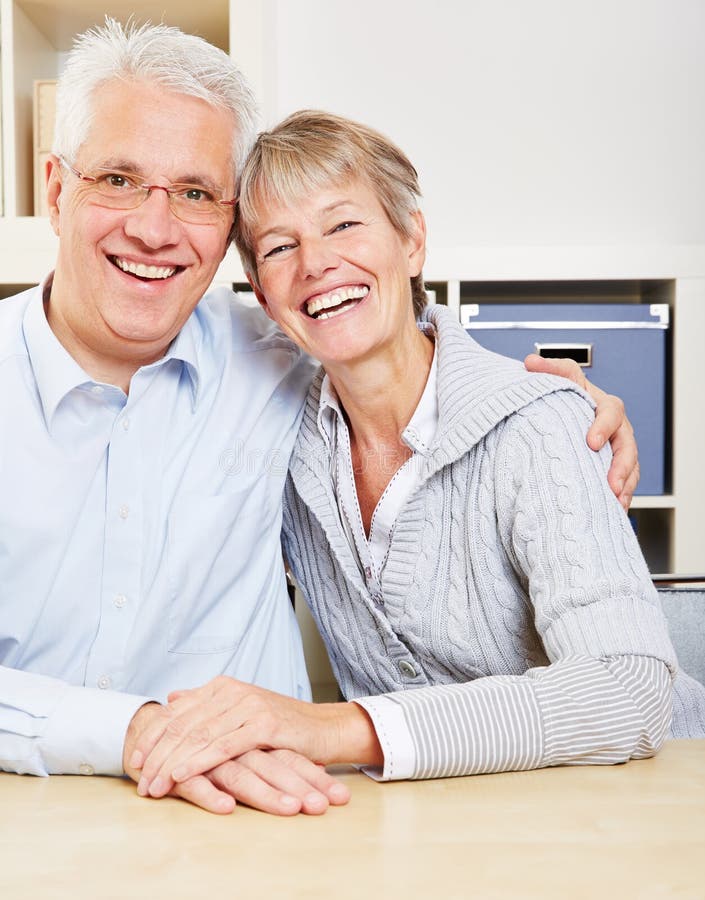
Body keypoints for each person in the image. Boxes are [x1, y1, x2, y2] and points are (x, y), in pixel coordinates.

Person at [0, 20, 637, 815]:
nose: (154, 229)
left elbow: (394, 342)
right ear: (57, 190)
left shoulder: (281, 362)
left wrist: (551, 395)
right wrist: (128, 730)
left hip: (294, 816)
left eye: (195, 193)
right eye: (119, 179)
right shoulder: (291, 368)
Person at [131, 110, 705, 797]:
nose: (316, 264)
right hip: (451, 822)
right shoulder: (280, 441)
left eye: (344, 224)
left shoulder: (539, 427)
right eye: (279, 248)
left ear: (411, 242)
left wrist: (339, 729)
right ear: (263, 295)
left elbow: (626, 691)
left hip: (651, 801)